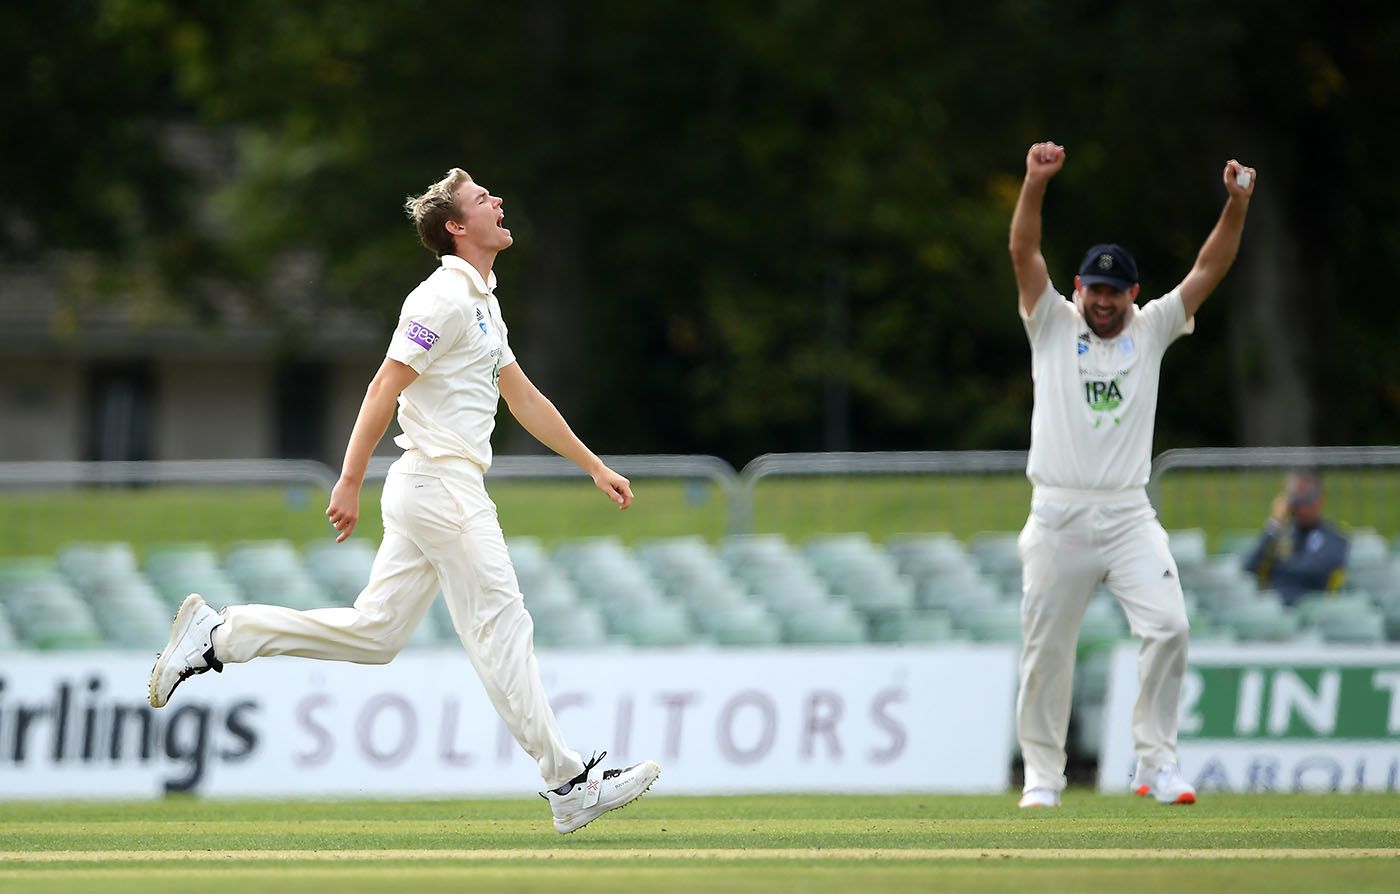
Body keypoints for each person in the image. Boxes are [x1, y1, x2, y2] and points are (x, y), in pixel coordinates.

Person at [148, 168, 660, 833]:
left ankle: (222, 634)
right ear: (456, 226)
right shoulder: (440, 299)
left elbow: (523, 397)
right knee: (500, 627)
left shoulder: (481, 302)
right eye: (482, 200)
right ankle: (568, 784)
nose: (498, 202)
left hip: (436, 488)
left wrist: (593, 465)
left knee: (377, 635)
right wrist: (350, 479)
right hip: (439, 484)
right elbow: (382, 387)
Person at [1008, 142, 1255, 808]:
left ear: (1133, 294)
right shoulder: (1053, 323)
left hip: (1125, 514)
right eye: (1097, 290)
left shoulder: (1151, 329)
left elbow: (1211, 266)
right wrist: (1033, 184)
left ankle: (1155, 764)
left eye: (1118, 292)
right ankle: (1042, 777)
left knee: (1170, 626)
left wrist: (1236, 204)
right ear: (1080, 289)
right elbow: (1024, 254)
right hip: (1057, 514)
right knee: (1047, 651)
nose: (1107, 302)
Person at [1243, 470, 1349, 605]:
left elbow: (1312, 570)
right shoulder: (1278, 534)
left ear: (1320, 499)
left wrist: (1284, 565)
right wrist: (1274, 525)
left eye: (1306, 498)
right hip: (1273, 609)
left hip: (1313, 611)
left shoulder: (1334, 537)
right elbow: (1247, 568)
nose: (1300, 506)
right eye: (1295, 498)